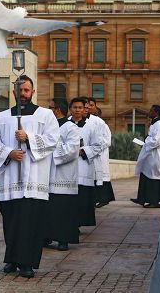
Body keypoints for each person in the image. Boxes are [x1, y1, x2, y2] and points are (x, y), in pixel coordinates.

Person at [0, 75, 59, 278]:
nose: (23, 94)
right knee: (11, 221)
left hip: (35, 180)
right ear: (13, 92)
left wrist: (28, 139)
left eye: (26, 90)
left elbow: (53, 140)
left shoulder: (45, 115)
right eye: (19, 90)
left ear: (33, 92)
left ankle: (26, 262)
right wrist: (9, 153)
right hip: (10, 180)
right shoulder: (2, 117)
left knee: (30, 223)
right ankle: (12, 258)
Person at [45, 98, 81, 251]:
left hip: (63, 176)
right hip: (47, 174)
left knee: (63, 210)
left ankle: (63, 239)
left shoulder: (70, 127)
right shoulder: (48, 126)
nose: (49, 110)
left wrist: (52, 147)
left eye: (50, 107)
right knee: (48, 210)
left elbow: (72, 150)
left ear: (57, 110)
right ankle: (46, 236)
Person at [69, 97, 103, 227]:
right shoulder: (64, 124)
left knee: (81, 199)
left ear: (84, 110)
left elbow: (98, 145)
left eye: (80, 107)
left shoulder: (92, 126)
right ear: (70, 109)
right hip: (68, 168)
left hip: (83, 167)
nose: (77, 110)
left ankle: (78, 223)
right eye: (75, 107)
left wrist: (82, 152)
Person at [131, 104, 160, 208]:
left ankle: (154, 201)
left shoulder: (159, 124)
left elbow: (157, 140)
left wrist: (146, 139)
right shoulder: (154, 124)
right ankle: (142, 199)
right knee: (145, 176)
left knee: (153, 179)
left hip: (156, 157)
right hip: (151, 157)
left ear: (156, 113)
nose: (149, 112)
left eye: (151, 111)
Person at [87, 99, 115, 209]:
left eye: (91, 105)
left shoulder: (101, 123)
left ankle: (103, 199)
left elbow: (107, 140)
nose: (89, 107)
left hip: (99, 154)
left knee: (101, 178)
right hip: (89, 155)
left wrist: (95, 147)